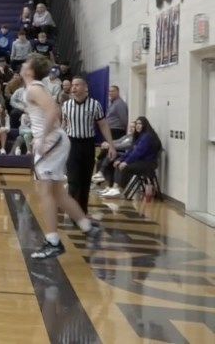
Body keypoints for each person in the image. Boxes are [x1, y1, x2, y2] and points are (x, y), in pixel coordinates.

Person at [22, 54, 101, 260]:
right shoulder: (36, 87)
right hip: (57, 141)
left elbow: (53, 110)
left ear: (30, 70)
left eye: (25, 64)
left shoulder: (34, 88)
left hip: (51, 142)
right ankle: (88, 227)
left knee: (45, 192)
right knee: (58, 193)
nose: (22, 66)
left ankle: (52, 241)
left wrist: (43, 137)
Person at [61, 77, 116, 215]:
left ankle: (83, 212)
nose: (73, 87)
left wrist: (111, 145)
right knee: (73, 180)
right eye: (72, 85)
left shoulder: (94, 105)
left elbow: (103, 125)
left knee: (85, 181)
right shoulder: (66, 105)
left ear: (85, 88)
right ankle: (74, 212)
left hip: (88, 144)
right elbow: (64, 125)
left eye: (77, 85)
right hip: (72, 144)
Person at [99, 117, 162, 198]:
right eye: (137, 124)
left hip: (148, 164)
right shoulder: (140, 136)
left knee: (122, 166)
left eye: (140, 124)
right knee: (117, 162)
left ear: (145, 125)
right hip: (141, 161)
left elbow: (138, 152)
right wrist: (122, 160)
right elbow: (131, 151)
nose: (137, 126)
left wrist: (126, 162)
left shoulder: (147, 137)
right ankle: (112, 187)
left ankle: (115, 188)